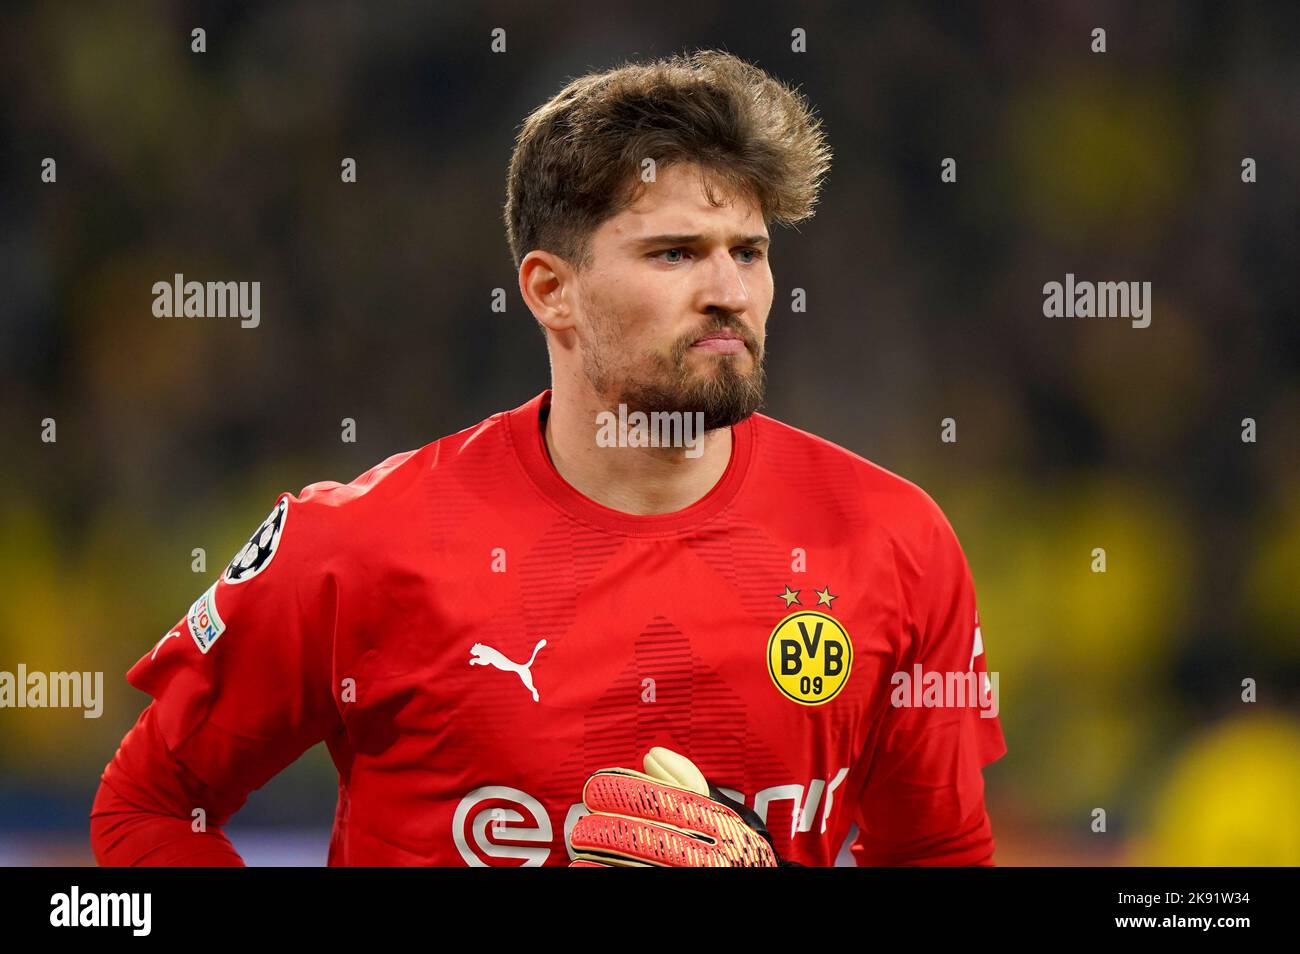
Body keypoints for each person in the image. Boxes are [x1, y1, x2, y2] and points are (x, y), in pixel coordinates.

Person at [91, 49, 1004, 867]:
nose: (730, 292)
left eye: (749, 253)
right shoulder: (358, 546)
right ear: (550, 291)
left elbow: (939, 850)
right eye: (676, 252)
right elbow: (150, 808)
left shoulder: (895, 542)